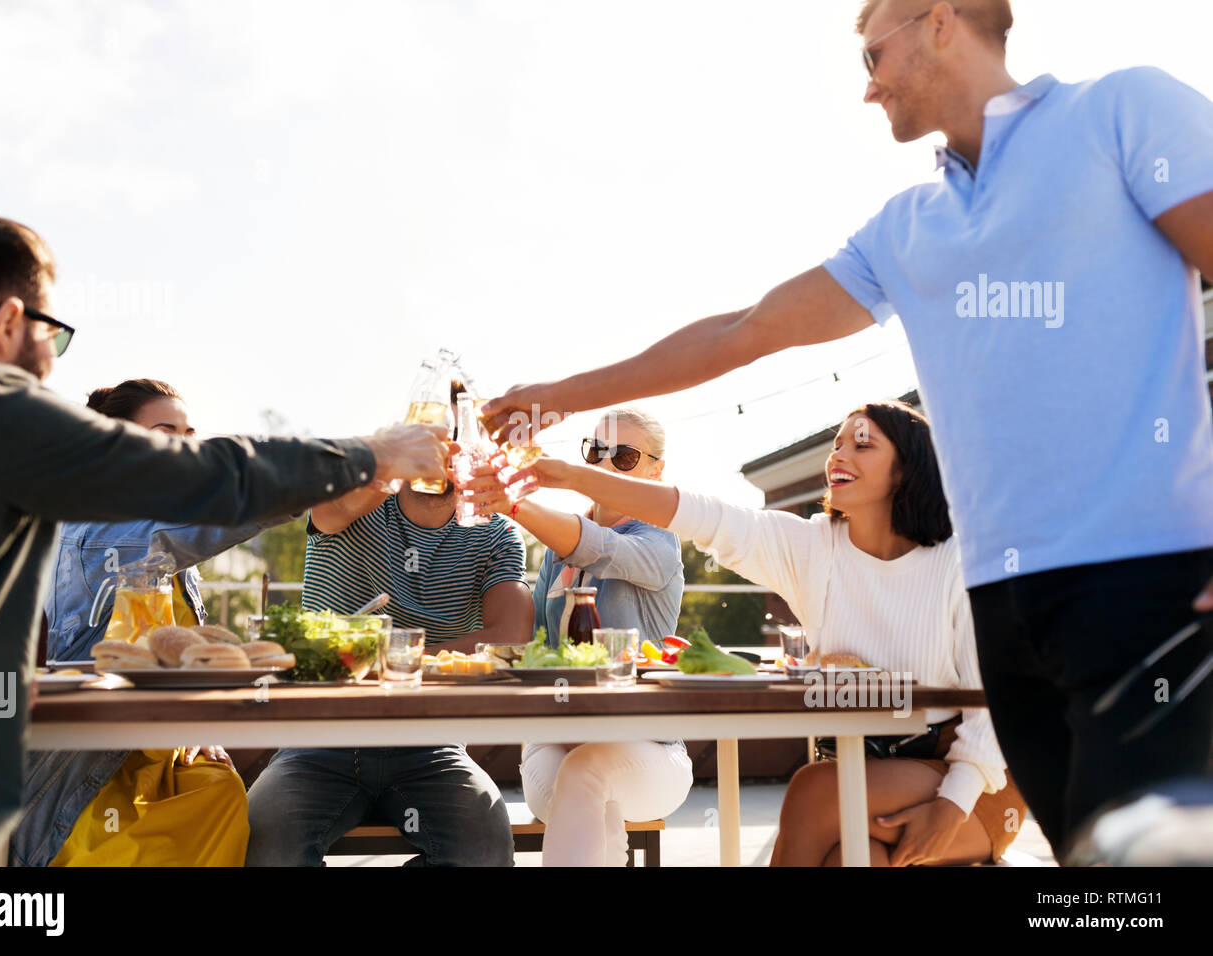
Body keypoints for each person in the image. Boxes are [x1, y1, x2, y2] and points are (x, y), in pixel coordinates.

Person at [482, 1, 1213, 861]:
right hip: (1008, 609)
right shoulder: (907, 229)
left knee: (1152, 861)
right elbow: (741, 331)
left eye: (874, 53)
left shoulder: (1126, 112)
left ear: (939, 19)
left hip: (1148, 580)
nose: (868, 88)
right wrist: (559, 395)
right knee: (1095, 873)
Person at [0, 210, 449, 865]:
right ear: (6, 323)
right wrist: (370, 452)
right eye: (53, 333)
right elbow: (211, 482)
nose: (51, 360)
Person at [481, 401, 1025, 865]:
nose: (839, 454)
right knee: (852, 858)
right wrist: (567, 476)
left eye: (863, 445)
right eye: (836, 444)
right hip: (864, 774)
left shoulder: (960, 565)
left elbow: (1001, 703)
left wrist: (953, 804)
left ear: (910, 469)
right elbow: (697, 514)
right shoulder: (811, 548)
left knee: (814, 789)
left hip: (974, 780)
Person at [10, 378, 289, 867]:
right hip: (87, 766)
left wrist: (191, 720)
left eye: (190, 434)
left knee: (223, 790)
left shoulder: (160, 524)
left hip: (156, 750)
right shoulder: (94, 526)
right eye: (165, 433)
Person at [244, 405, 534, 866]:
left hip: (431, 740)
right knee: (265, 840)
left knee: (482, 845)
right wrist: (392, 464)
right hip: (320, 737)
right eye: (433, 445)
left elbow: (511, 636)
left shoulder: (494, 534)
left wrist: (389, 658)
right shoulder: (356, 500)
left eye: (456, 448)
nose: (444, 457)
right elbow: (331, 508)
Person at [460, 408, 690, 866]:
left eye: (623, 456)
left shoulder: (660, 543)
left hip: (647, 747)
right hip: (555, 745)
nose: (605, 463)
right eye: (595, 450)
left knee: (590, 772)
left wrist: (513, 504)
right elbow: (538, 649)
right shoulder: (555, 549)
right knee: (589, 786)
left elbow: (602, 549)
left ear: (655, 470)